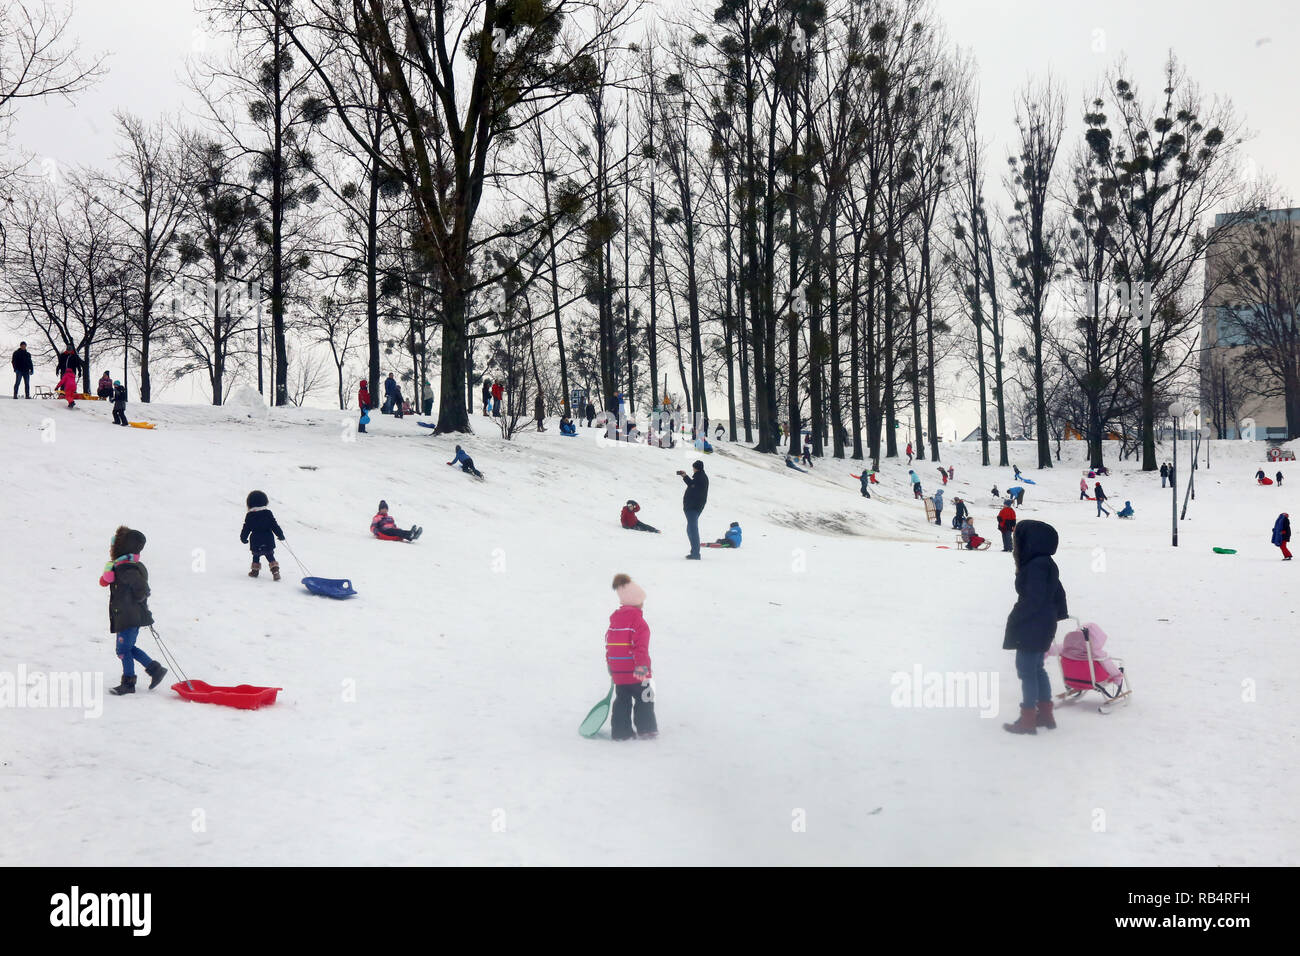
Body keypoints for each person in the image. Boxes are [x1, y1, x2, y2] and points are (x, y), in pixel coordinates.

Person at [1002, 520, 1068, 735]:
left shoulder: (1036, 565)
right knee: (1037, 669)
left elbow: (1033, 598)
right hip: (1042, 623)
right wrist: (1053, 617)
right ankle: (1045, 715)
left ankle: (1028, 719)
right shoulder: (1046, 562)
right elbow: (1058, 594)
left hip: (1032, 625)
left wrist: (1017, 619)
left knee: (1027, 671)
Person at [100, 525, 167, 696]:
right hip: (128, 615)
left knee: (123, 650)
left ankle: (129, 683)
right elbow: (105, 581)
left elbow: (142, 588)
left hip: (129, 616)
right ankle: (155, 669)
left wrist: (139, 598)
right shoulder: (126, 565)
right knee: (128, 648)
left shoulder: (127, 568)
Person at [605, 573, 657, 741]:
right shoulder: (639, 623)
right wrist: (642, 668)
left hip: (619, 673)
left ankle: (621, 732)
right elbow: (640, 648)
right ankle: (646, 729)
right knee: (645, 699)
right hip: (637, 671)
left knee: (622, 701)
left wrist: (611, 667)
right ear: (636, 602)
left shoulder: (614, 622)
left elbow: (610, 645)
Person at [241, 490, 286, 580]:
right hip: (268, 539)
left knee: (256, 556)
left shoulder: (250, 515)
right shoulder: (267, 513)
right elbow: (274, 525)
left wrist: (243, 537)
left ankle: (254, 571)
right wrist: (280, 534)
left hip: (256, 540)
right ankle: (275, 571)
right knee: (270, 555)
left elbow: (246, 527)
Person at [678, 460, 708, 560]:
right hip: (694, 507)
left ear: (696, 468)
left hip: (693, 508)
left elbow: (693, 488)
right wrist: (685, 476)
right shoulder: (700, 477)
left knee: (692, 530)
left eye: (693, 467)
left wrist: (689, 504)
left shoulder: (700, 478)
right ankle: (694, 552)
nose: (693, 469)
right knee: (690, 529)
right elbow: (692, 485)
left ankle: (695, 554)